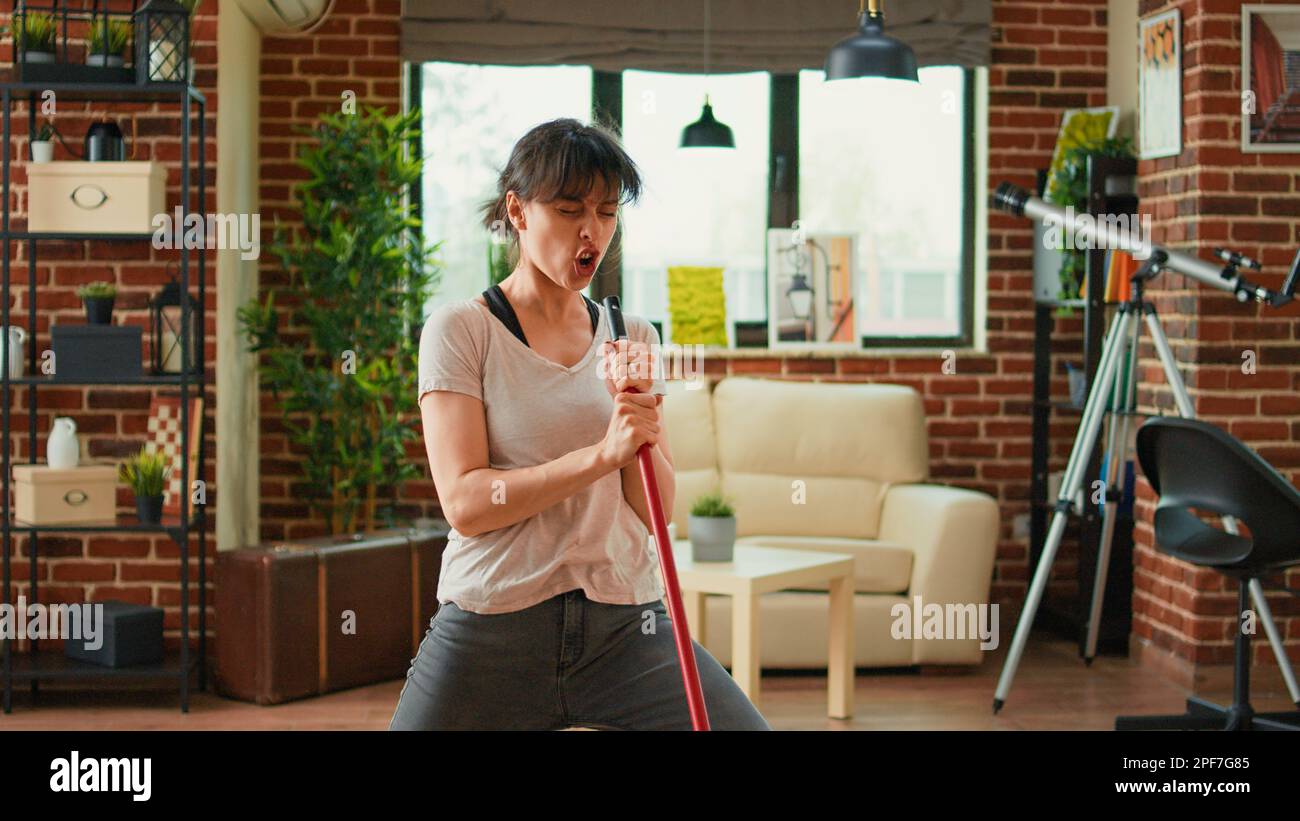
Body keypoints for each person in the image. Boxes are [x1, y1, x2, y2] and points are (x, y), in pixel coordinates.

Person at [389, 118, 770, 731]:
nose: (591, 230)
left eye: (607, 211)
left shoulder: (634, 336)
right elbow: (466, 502)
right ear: (517, 211)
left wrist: (633, 410)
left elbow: (656, 510)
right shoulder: (462, 331)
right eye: (569, 210)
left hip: (624, 623)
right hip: (494, 621)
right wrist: (603, 452)